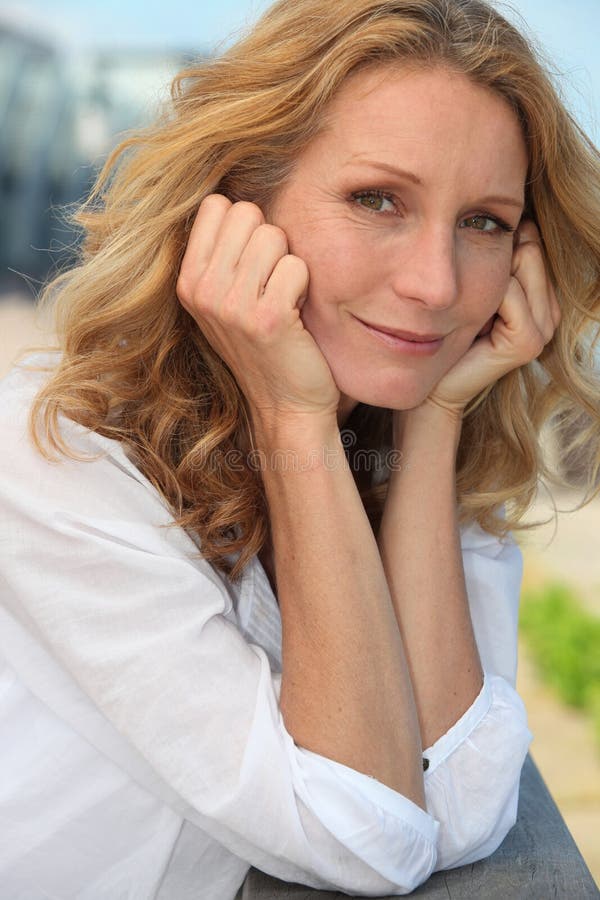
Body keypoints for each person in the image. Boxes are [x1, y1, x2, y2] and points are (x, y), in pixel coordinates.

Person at [1, 0, 598, 896]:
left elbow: (466, 809)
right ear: (237, 208)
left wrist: (433, 422)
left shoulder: (408, 441)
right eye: (376, 200)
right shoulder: (59, 458)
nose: (436, 285)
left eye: (482, 221)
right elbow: (369, 835)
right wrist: (293, 417)